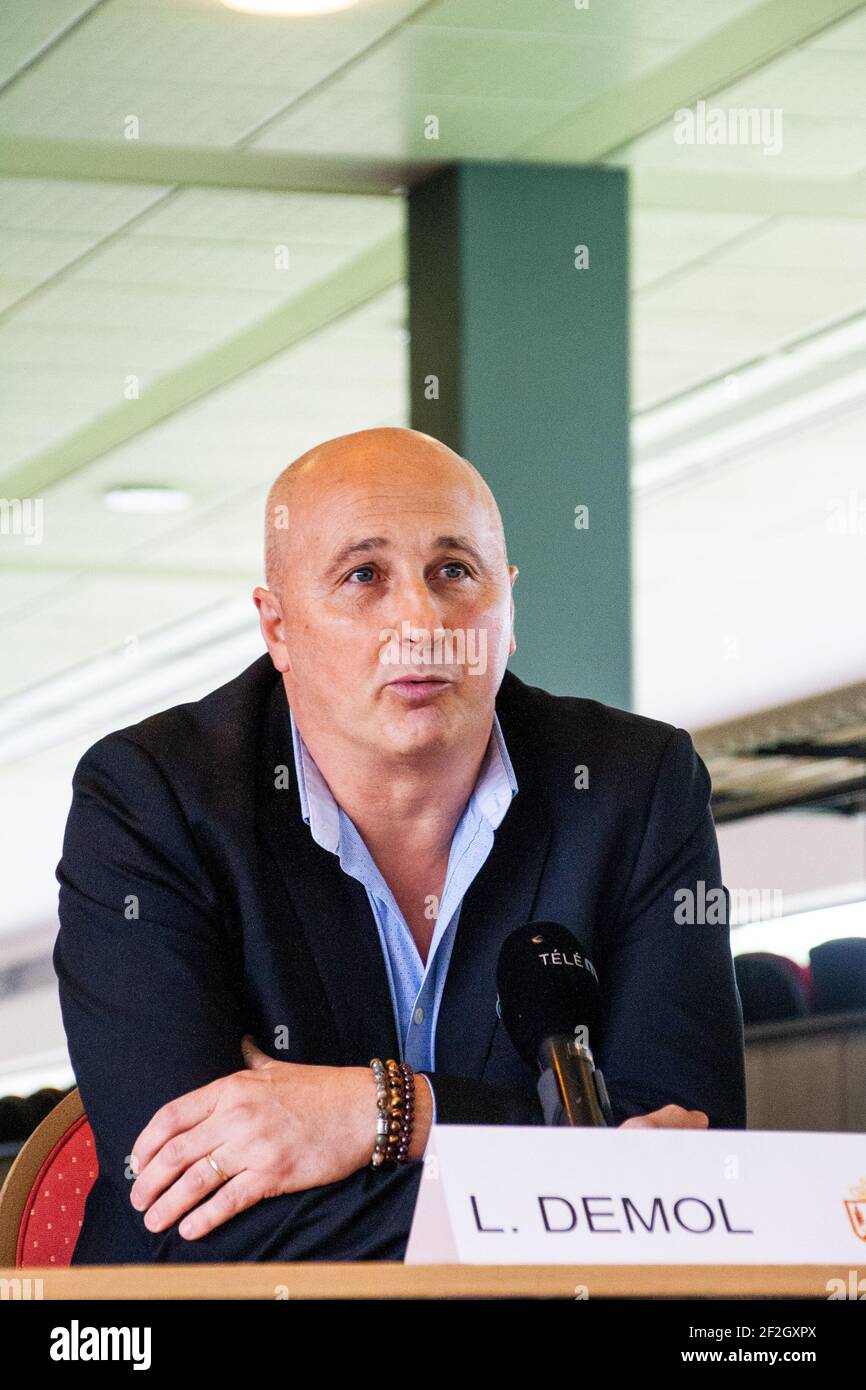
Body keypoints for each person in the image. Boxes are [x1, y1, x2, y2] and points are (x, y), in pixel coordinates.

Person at [54, 426, 745, 1263]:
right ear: (277, 628)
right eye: (363, 576)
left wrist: (384, 1113)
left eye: (454, 572)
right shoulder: (151, 799)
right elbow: (194, 1211)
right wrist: (566, 1174)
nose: (421, 622)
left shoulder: (637, 786)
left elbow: (693, 1175)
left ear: (509, 605)